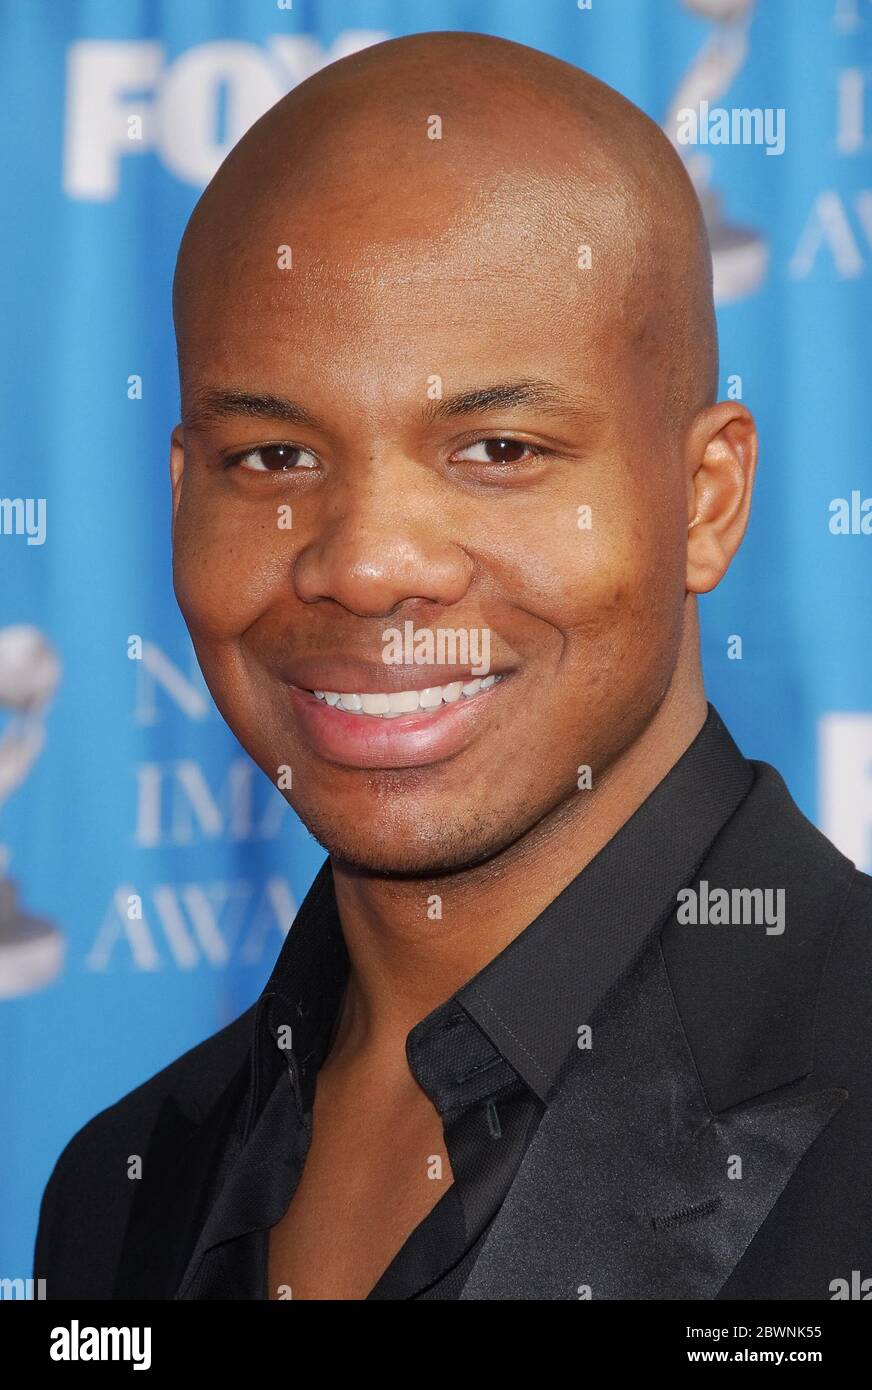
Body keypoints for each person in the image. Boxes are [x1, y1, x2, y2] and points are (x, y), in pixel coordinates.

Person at [34, 30, 872, 1300]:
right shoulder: (121, 1185)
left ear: (704, 500)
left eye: (497, 449)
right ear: (179, 492)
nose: (366, 568)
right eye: (271, 459)